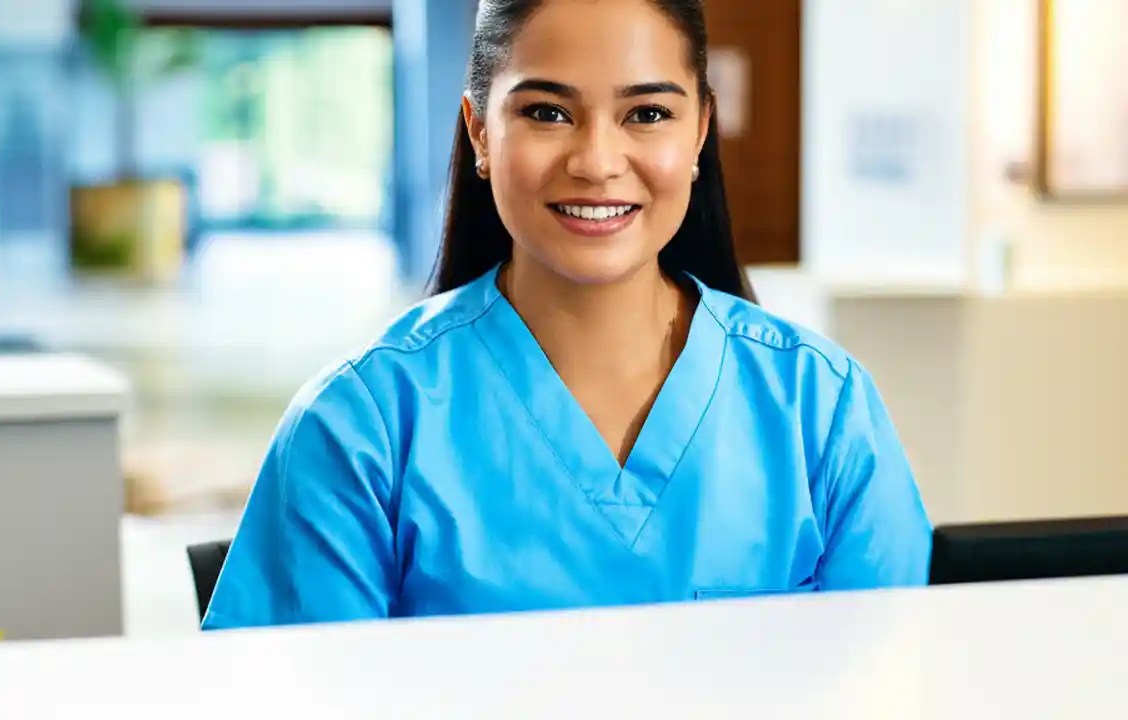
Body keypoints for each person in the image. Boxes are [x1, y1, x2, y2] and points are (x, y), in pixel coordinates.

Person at [203, 0, 930, 630]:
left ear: (701, 131)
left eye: (647, 113)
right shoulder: (360, 427)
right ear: (480, 131)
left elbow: (902, 683)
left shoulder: (823, 410)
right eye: (547, 112)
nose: (597, 160)